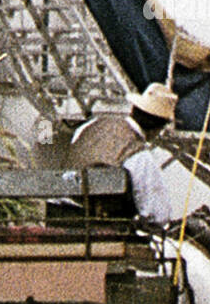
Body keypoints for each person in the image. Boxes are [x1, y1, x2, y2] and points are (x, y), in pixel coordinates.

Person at [66, 82, 176, 227]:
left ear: (133, 109)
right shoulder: (139, 155)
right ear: (159, 129)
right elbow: (157, 214)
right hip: (108, 230)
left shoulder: (87, 127)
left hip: (64, 216)